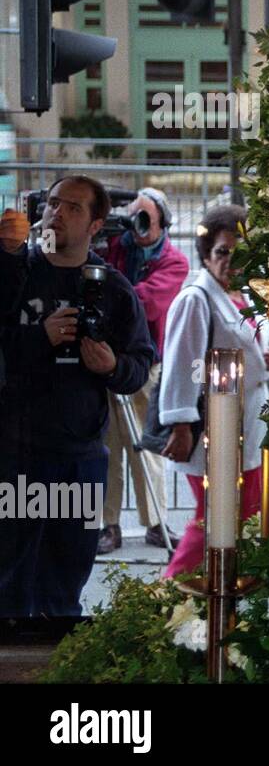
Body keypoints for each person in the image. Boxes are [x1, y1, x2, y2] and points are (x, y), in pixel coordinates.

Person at [0, 177, 153, 616]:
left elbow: (140, 361)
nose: (56, 214)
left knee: (65, 581)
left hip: (79, 455)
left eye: (72, 208)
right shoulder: (15, 273)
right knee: (9, 578)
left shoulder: (114, 288)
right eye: (51, 204)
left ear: (95, 224)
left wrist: (112, 367)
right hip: (16, 453)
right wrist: (38, 338)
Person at [158, 205, 269, 577]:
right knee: (214, 515)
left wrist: (262, 359)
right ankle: (172, 593)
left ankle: (222, 586)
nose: (230, 260)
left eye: (239, 251)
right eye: (223, 251)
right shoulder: (196, 299)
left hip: (250, 426)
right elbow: (181, 365)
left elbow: (249, 347)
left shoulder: (244, 295)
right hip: (213, 429)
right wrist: (180, 426)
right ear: (207, 254)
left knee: (244, 512)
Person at [98, 187, 188, 554]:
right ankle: (109, 526)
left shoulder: (174, 261)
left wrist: (113, 293)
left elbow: (146, 304)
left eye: (146, 218)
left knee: (144, 447)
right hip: (106, 361)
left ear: (163, 222)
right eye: (133, 216)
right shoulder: (117, 248)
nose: (138, 226)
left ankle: (155, 523)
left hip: (144, 363)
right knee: (108, 448)